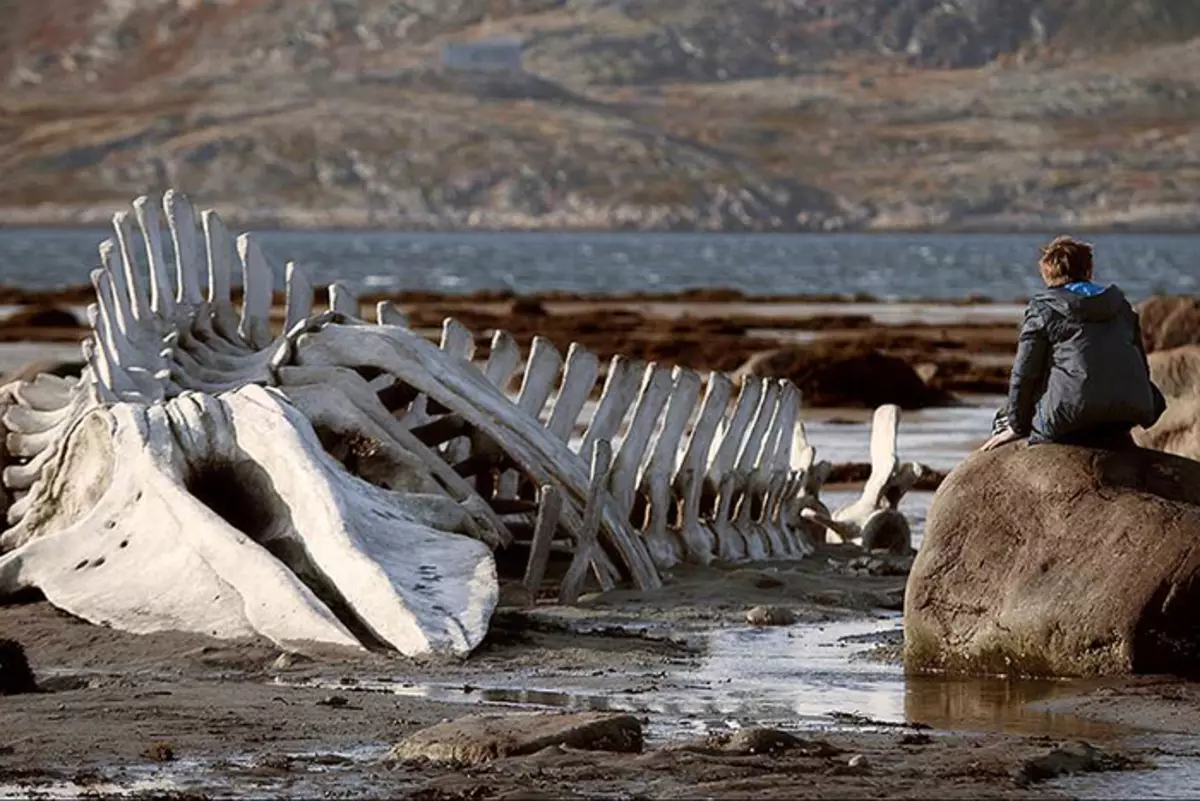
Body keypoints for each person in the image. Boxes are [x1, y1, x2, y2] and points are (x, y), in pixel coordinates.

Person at [982, 236, 1165, 452]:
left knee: (1003, 418)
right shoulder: (1121, 306)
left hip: (1072, 418)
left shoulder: (1044, 308)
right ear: (1088, 271)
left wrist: (1016, 426)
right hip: (1129, 413)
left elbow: (1024, 374)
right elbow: (1141, 366)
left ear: (1048, 274)